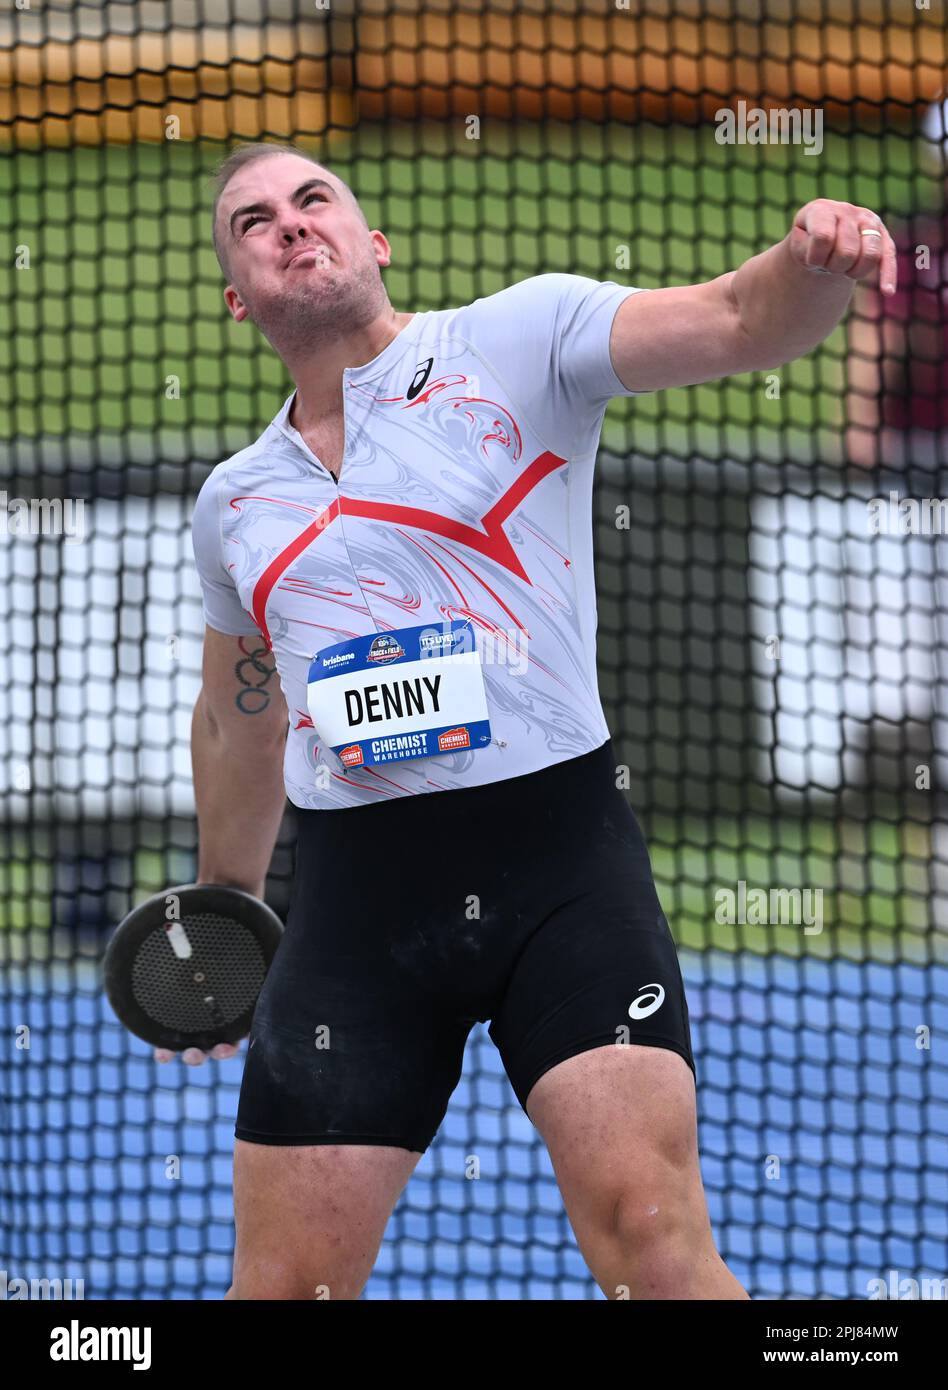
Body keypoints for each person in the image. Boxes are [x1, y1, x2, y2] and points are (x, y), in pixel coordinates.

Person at [163, 141, 895, 1300]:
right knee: (286, 1286)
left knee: (651, 1236)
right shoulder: (233, 503)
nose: (291, 224)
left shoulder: (519, 341)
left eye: (315, 199)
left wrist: (816, 252)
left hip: (560, 870)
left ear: (374, 240)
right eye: (254, 220)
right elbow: (240, 710)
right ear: (235, 293)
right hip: (358, 911)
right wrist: (227, 905)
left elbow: (740, 320)